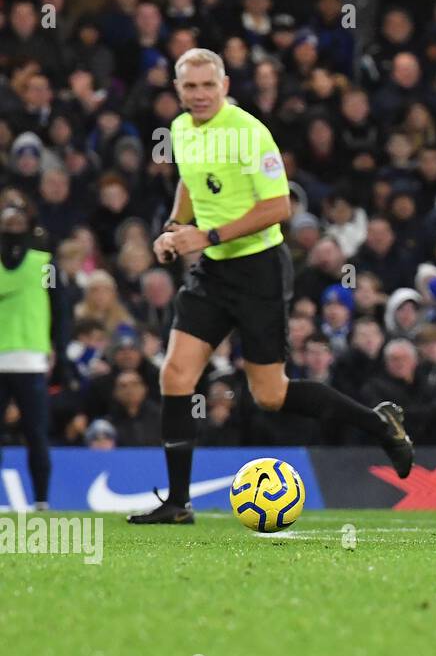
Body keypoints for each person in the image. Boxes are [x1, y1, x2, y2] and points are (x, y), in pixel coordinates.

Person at [128, 48, 413, 525]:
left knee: (270, 395)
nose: (198, 95)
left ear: (223, 85)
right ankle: (179, 503)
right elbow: (189, 181)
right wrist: (177, 227)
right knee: (175, 375)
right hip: (212, 272)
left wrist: (207, 235)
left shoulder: (248, 131)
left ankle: (378, 423)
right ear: (178, 90)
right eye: (189, 87)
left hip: (259, 269)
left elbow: (279, 207)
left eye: (206, 86)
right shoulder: (180, 130)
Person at [0, 196, 65, 510]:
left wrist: (58, 350)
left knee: (36, 434)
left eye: (17, 223)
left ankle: (41, 500)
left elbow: (59, 309)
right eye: (7, 223)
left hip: (31, 357)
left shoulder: (44, 263)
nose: (12, 228)